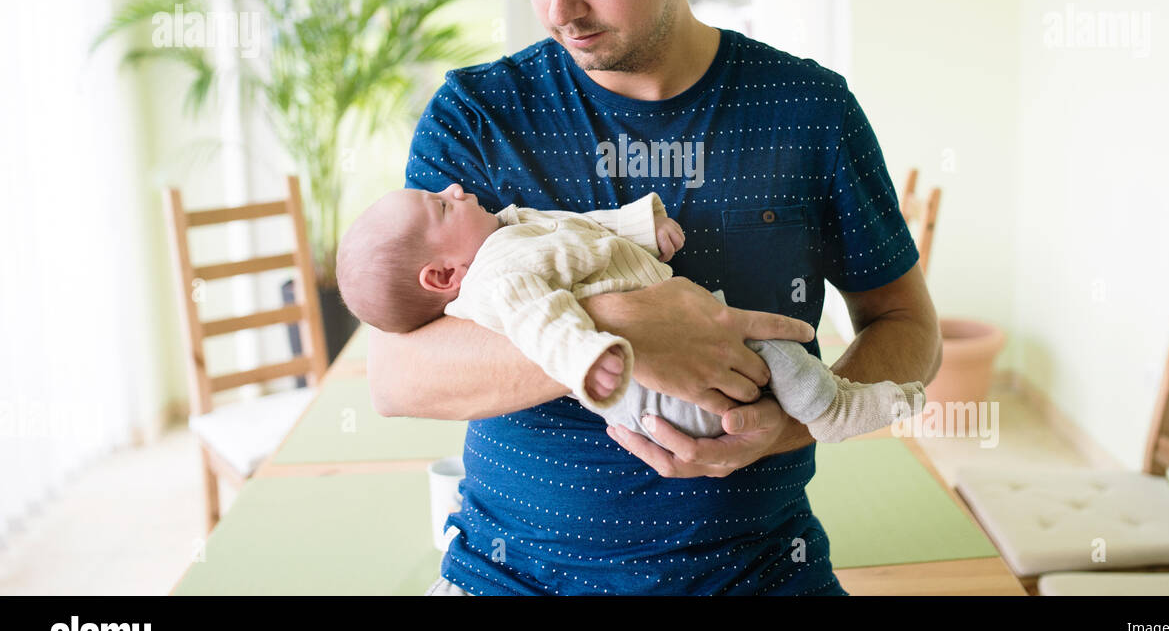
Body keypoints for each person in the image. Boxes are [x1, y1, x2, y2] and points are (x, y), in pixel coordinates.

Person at [367, 0, 942, 596]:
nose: (557, 6)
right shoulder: (477, 116)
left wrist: (785, 425)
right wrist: (624, 329)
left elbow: (909, 323)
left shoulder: (809, 111)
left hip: (760, 575)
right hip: (512, 578)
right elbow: (398, 376)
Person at [336, 186, 926, 445]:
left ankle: (813, 411)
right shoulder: (501, 277)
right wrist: (604, 343)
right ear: (442, 276)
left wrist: (640, 228)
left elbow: (578, 229)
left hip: (759, 544)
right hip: (644, 393)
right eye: (442, 204)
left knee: (764, 364)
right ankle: (835, 409)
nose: (456, 187)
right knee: (776, 358)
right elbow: (543, 323)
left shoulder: (507, 232)